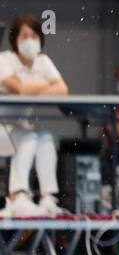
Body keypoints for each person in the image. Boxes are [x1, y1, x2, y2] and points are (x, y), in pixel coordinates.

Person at [0, 14, 68, 217]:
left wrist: (32, 87)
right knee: (29, 137)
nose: (30, 40)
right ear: (15, 40)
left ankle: (48, 197)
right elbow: (18, 89)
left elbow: (63, 89)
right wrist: (46, 85)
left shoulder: (43, 62)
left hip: (19, 127)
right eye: (24, 36)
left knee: (46, 137)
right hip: (1, 128)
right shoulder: (4, 60)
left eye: (34, 35)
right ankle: (16, 196)